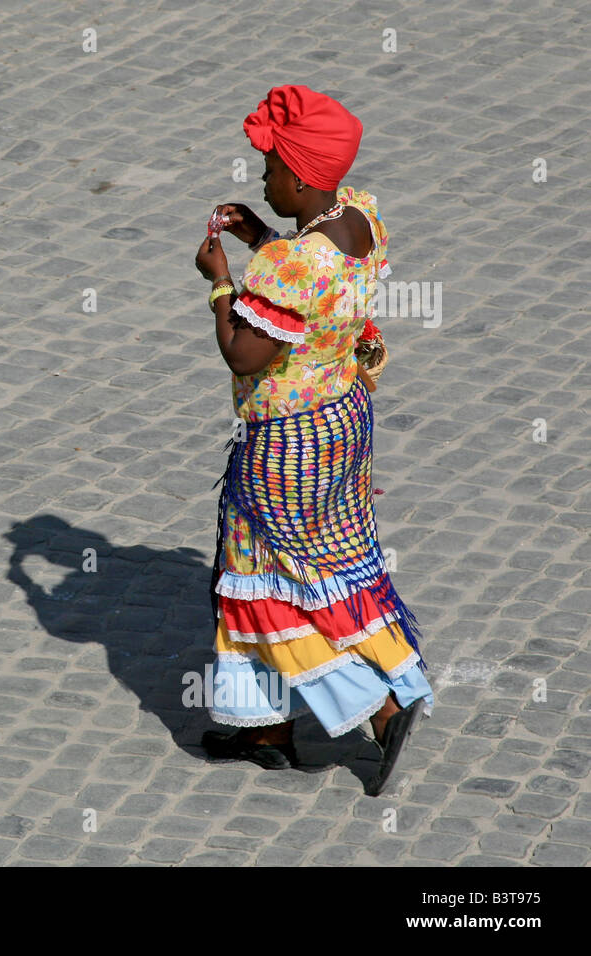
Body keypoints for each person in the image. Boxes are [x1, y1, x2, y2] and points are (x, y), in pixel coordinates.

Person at [192, 85, 433, 795]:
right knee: (332, 562)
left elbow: (245, 352)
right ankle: (265, 728)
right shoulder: (358, 216)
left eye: (269, 171)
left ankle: (382, 705)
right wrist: (263, 233)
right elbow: (314, 291)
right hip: (342, 424)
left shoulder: (289, 269)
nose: (263, 181)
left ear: (298, 175)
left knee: (278, 579)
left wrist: (220, 284)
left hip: (286, 445)